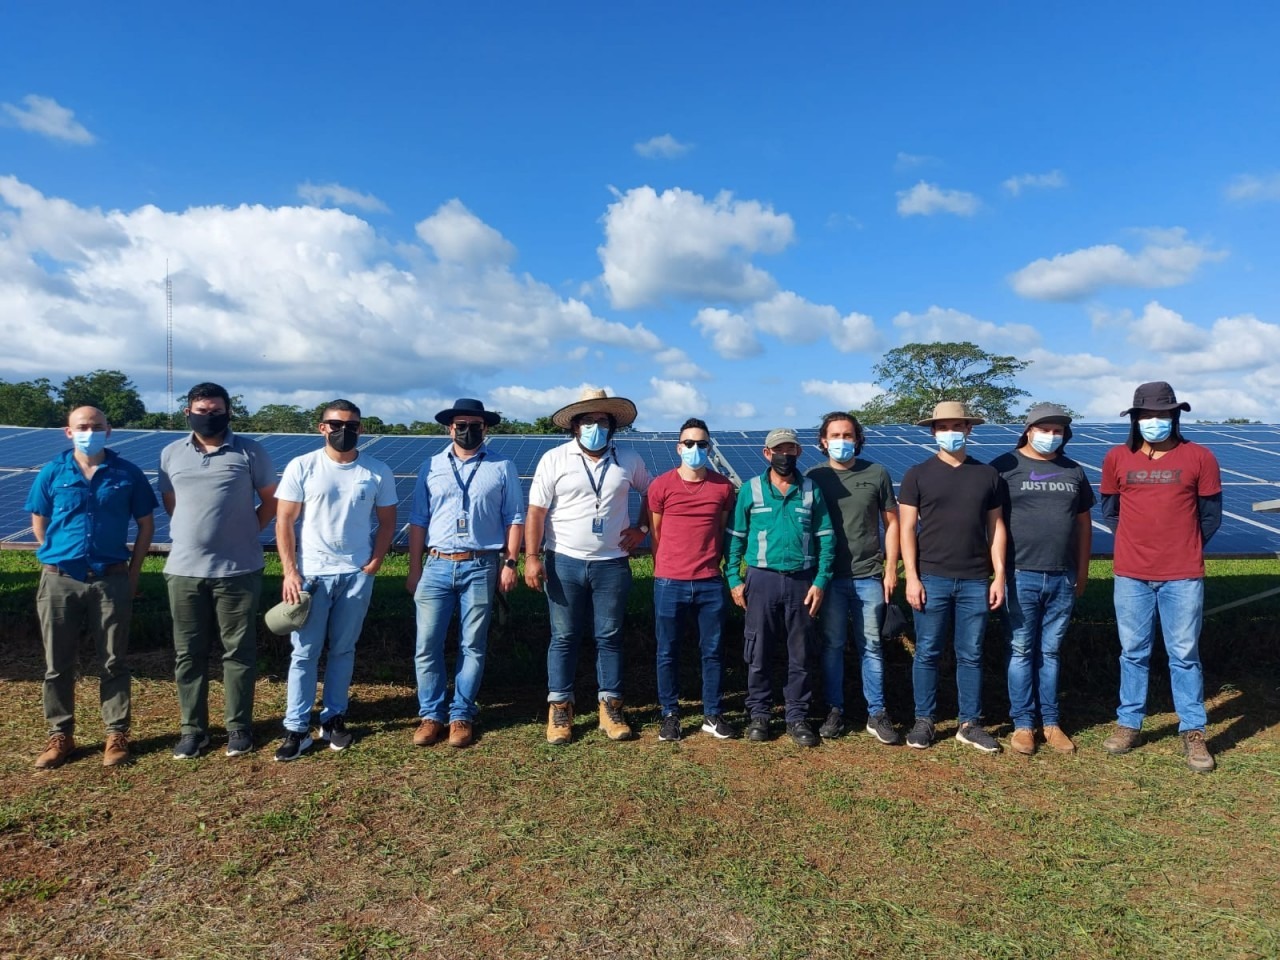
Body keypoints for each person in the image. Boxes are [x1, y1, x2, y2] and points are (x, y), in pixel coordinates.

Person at [1100, 381, 1221, 773]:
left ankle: (1193, 731)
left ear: (1175, 416)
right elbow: (1111, 510)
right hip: (1131, 574)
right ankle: (1129, 723)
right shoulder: (1117, 458)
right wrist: (1136, 543)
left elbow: (1210, 516)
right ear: (1136, 419)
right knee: (1132, 652)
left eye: (1163, 414)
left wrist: (1181, 545)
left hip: (1182, 574)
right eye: (1148, 415)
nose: (1155, 421)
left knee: (1184, 654)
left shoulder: (1200, 457)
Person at [25, 406, 156, 768]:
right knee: (57, 663)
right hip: (59, 580)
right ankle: (60, 735)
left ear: (108, 431)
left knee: (113, 660)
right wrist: (56, 555)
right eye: (82, 426)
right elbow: (39, 519)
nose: (89, 431)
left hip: (110, 578)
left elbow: (146, 524)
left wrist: (133, 574)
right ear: (68, 432)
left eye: (96, 426)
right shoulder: (52, 472)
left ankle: (116, 734)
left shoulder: (127, 473)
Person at [271, 400, 398, 761]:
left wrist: (375, 561)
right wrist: (290, 571)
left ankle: (333, 718)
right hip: (311, 576)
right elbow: (284, 520)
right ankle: (296, 727)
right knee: (304, 652)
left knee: (343, 649)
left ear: (361, 428)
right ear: (322, 427)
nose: (344, 431)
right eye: (336, 424)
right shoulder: (303, 466)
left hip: (356, 575)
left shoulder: (376, 471)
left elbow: (388, 521)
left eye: (352, 425)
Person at [524, 388, 651, 745]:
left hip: (612, 563)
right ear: (575, 426)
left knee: (609, 636)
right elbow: (536, 511)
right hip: (563, 561)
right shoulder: (554, 459)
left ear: (612, 426)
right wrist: (531, 557)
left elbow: (653, 494)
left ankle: (610, 706)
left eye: (602, 421)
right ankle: (560, 707)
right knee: (564, 637)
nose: (596, 427)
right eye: (588, 420)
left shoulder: (629, 460)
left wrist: (641, 529)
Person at [159, 382, 277, 759]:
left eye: (216, 411)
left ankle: (238, 726)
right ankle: (193, 730)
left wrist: (246, 530)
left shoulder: (250, 451)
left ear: (228, 412)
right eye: (202, 411)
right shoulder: (171, 453)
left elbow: (271, 500)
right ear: (188, 413)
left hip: (238, 569)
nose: (209, 417)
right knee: (188, 653)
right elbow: (171, 501)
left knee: (238, 651)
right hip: (184, 570)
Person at [407, 398, 524, 749]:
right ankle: (431, 715)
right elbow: (418, 519)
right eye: (461, 425)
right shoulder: (430, 466)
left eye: (475, 425)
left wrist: (510, 562)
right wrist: (414, 568)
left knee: (472, 644)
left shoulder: (502, 466)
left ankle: (461, 714)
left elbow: (514, 518)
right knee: (426, 644)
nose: (467, 431)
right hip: (437, 564)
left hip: (481, 564)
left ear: (485, 428)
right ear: (450, 429)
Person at [899, 401, 1006, 753]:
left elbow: (996, 527)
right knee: (927, 652)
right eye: (943, 427)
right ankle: (924, 720)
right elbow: (907, 529)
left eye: (957, 426)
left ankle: (969, 723)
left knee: (971, 653)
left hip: (975, 579)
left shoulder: (988, 475)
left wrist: (998, 576)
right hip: (932, 577)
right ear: (933, 432)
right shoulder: (917, 474)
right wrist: (912, 577)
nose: (951, 433)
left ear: (969, 429)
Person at [990, 403, 1094, 756]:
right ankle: (1023, 724)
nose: (1051, 436)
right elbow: (991, 522)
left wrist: (1082, 571)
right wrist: (997, 572)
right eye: (1044, 429)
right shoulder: (1004, 467)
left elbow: (1084, 525)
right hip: (1019, 574)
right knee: (1020, 650)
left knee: (1050, 651)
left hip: (1062, 575)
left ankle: (1051, 722)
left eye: (1057, 431)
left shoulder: (1074, 471)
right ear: (1028, 430)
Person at [725, 427, 834, 747]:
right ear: (767, 453)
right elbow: (735, 537)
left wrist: (820, 581)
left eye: (790, 449)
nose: (784, 455)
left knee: (800, 652)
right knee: (758, 650)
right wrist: (733, 579)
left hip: (802, 581)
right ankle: (759, 714)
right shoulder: (750, 489)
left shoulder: (811, 489)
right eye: (778, 450)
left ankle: (797, 716)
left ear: (798, 452)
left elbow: (826, 538)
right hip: (761, 580)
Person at [806, 412, 902, 745]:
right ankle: (834, 710)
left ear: (858, 439)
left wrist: (891, 568)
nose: (842, 441)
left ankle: (877, 712)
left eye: (848, 435)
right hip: (829, 578)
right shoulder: (814, 477)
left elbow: (892, 523)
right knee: (832, 645)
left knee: (871, 647)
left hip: (868, 575)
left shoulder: (877, 473)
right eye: (835, 436)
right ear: (823, 441)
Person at [648, 417, 738, 741]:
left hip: (709, 580)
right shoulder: (660, 485)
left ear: (709, 448)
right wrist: (664, 568)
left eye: (701, 444)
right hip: (669, 581)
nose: (695, 448)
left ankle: (712, 714)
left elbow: (721, 529)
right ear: (678, 448)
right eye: (689, 443)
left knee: (712, 651)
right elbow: (656, 533)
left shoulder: (723, 488)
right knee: (667, 651)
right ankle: (670, 714)